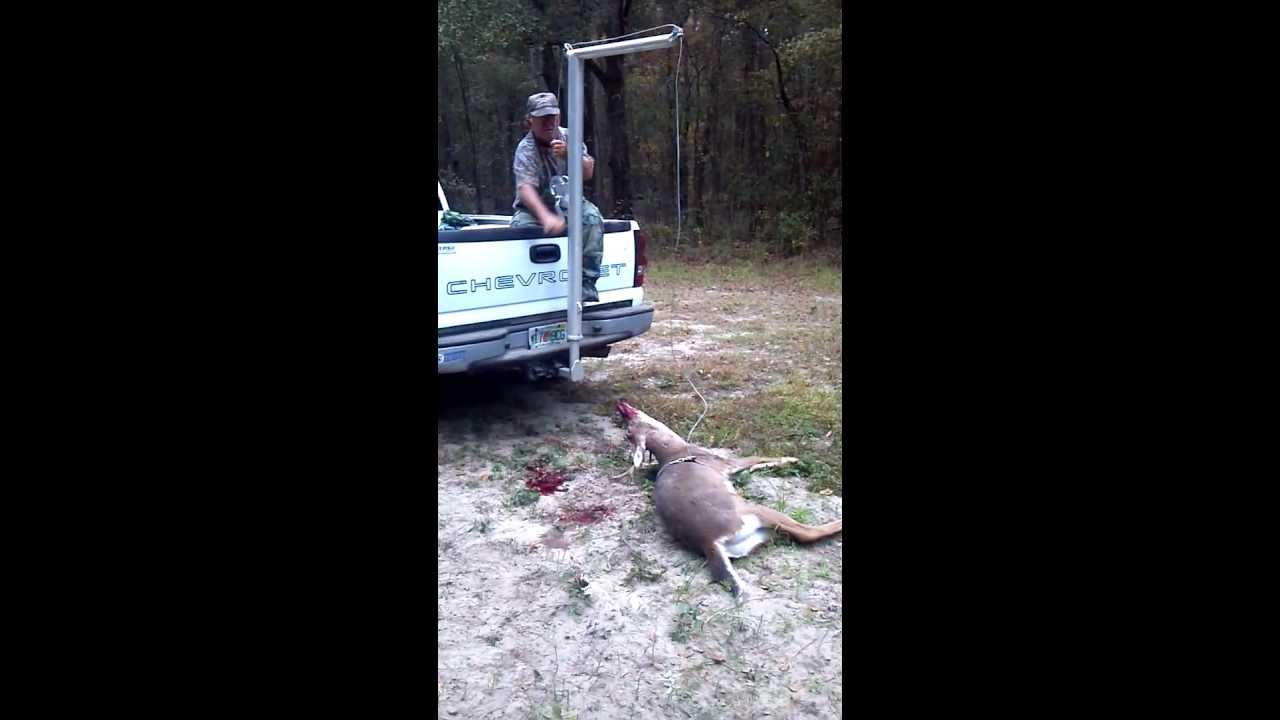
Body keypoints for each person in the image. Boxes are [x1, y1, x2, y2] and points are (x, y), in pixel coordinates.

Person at [510, 92, 603, 302]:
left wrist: (570, 154)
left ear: (559, 116)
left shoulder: (569, 137)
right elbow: (525, 189)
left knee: (591, 216)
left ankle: (586, 283)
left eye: (553, 116)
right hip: (534, 209)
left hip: (568, 202)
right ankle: (524, 292)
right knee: (518, 233)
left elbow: (588, 171)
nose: (549, 122)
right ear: (529, 122)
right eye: (542, 117)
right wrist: (546, 217)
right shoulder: (526, 149)